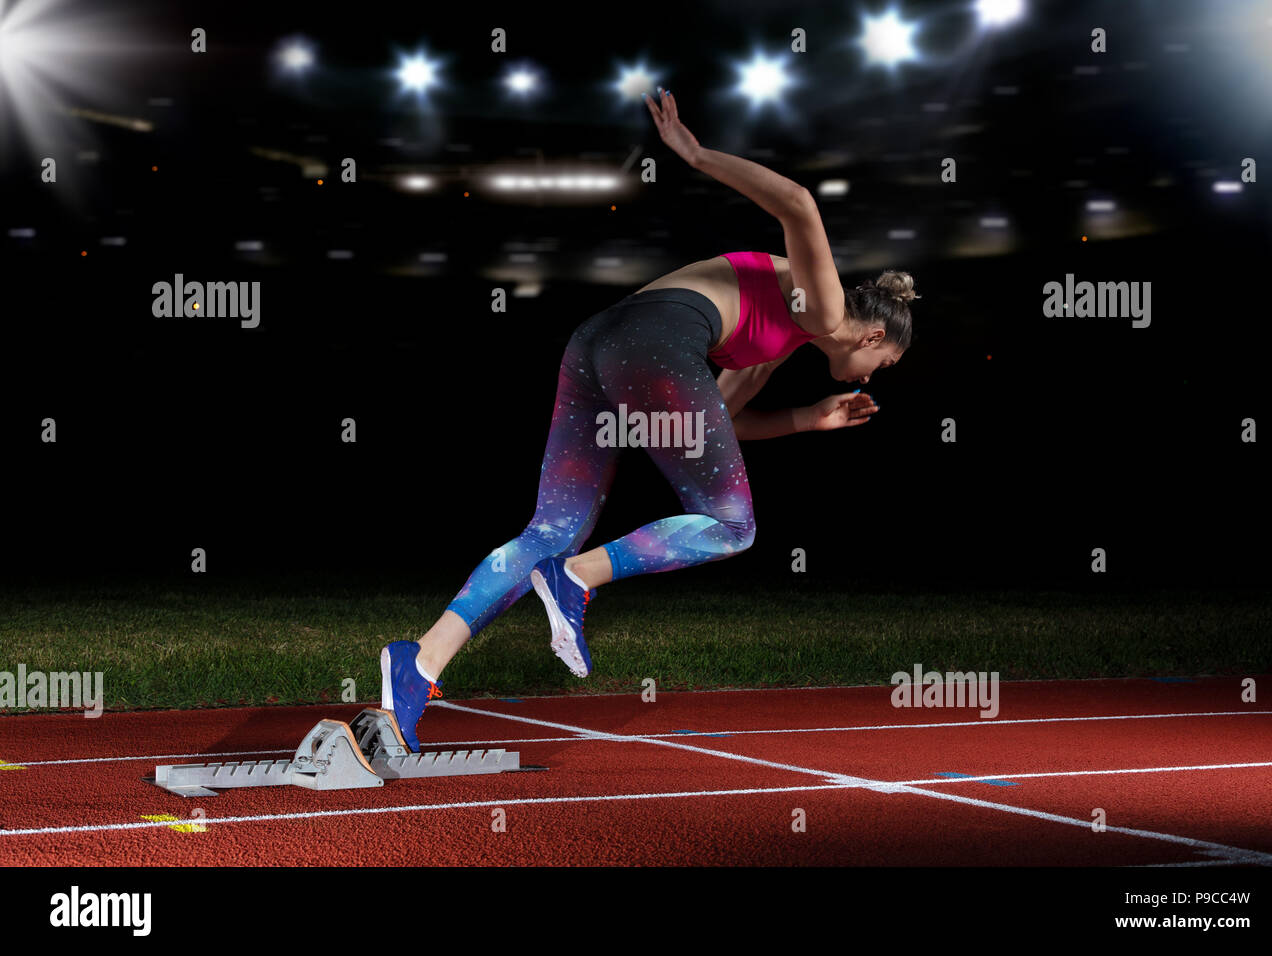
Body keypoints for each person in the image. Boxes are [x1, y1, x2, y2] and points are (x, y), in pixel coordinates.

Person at [381, 88, 918, 750]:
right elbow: (799, 204)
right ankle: (577, 577)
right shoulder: (827, 309)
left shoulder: (781, 341)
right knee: (733, 527)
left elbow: (713, 425)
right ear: (874, 336)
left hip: (596, 344)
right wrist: (696, 154)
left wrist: (808, 419)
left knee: (552, 528)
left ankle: (420, 662)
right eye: (885, 363)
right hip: (654, 343)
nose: (871, 377)